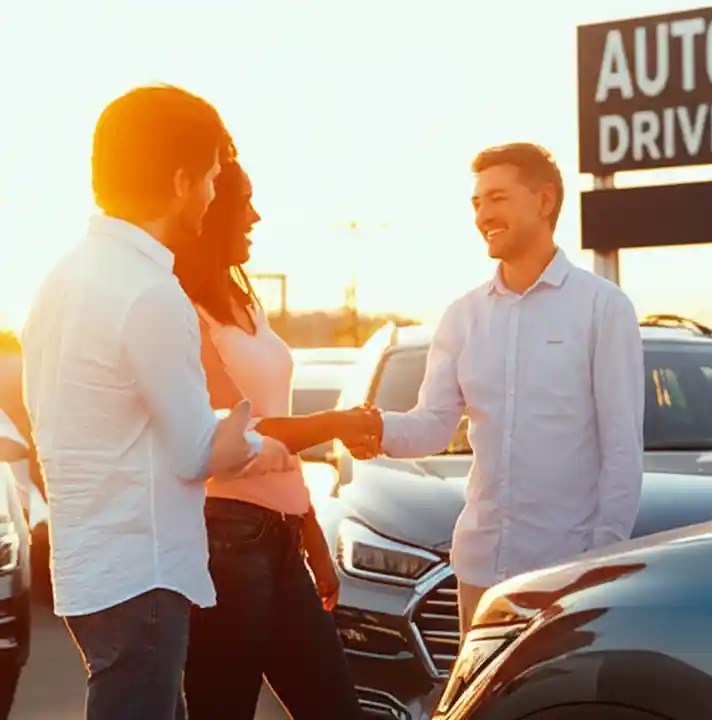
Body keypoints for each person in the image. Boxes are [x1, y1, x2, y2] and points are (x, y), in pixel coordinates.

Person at [20, 84, 292, 719]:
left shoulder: (60, 280)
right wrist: (258, 440)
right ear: (179, 181)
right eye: (210, 178)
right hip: (143, 576)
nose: (211, 195)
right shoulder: (151, 291)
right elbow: (198, 451)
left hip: (91, 568)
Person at [347, 142, 646, 637]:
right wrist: (368, 427)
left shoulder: (603, 308)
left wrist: (597, 564)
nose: (483, 214)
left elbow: (621, 450)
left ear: (544, 201)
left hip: (567, 573)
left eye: (497, 198)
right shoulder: (462, 315)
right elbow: (432, 426)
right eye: (477, 203)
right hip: (480, 571)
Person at [172, 148, 366, 719]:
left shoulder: (246, 304)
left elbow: (278, 446)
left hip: (279, 539)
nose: (255, 217)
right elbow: (237, 432)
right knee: (222, 709)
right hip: (227, 539)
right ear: (212, 209)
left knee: (334, 708)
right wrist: (336, 423)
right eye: (245, 202)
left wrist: (309, 539)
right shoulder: (187, 311)